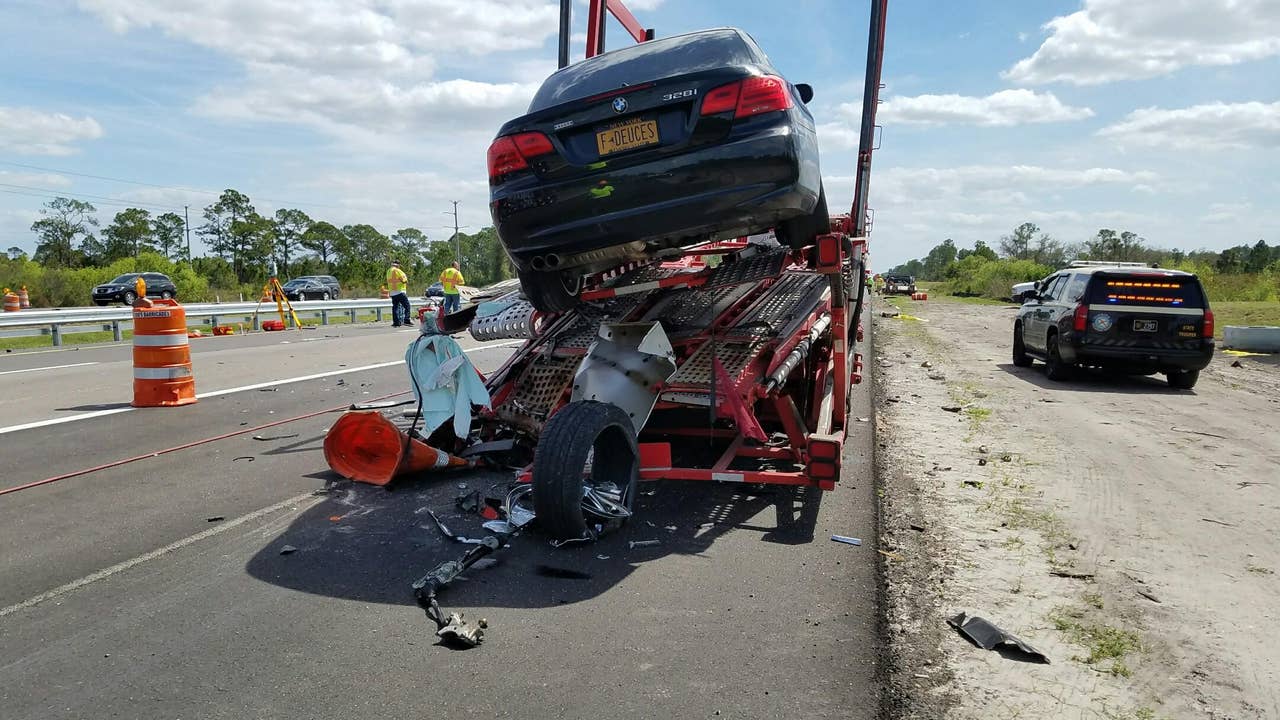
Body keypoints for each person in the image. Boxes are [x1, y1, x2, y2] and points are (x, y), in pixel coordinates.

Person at [387, 260, 411, 327]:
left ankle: (396, 323)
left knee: (395, 307)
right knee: (407, 306)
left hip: (392, 292)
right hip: (400, 291)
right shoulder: (398, 270)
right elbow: (404, 280)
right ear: (398, 265)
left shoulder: (388, 271)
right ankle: (406, 320)